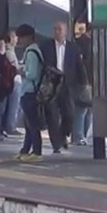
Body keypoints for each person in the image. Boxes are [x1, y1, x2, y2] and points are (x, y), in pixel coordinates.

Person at [41, 20, 84, 154]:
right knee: (52, 115)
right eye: (55, 29)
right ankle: (56, 144)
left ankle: (63, 134)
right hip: (51, 84)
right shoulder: (46, 46)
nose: (57, 32)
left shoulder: (73, 48)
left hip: (67, 84)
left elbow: (79, 66)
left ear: (65, 31)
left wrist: (84, 83)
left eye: (59, 29)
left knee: (69, 114)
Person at [16, 24, 45, 162]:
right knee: (28, 124)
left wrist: (21, 72)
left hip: (30, 91)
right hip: (29, 91)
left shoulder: (31, 52)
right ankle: (25, 150)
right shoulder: (33, 50)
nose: (19, 40)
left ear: (28, 37)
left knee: (32, 124)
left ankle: (37, 151)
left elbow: (32, 74)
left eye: (21, 37)